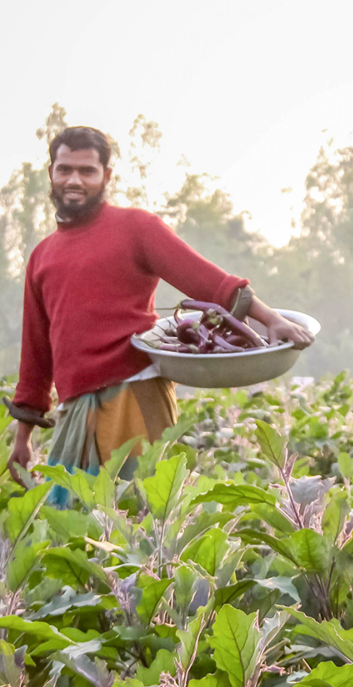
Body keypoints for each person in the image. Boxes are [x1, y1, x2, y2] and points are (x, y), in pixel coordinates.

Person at [6, 125, 313, 485]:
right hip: (74, 411)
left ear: (106, 176)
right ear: (52, 174)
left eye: (87, 171)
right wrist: (22, 437)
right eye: (65, 169)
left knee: (140, 520)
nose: (75, 179)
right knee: (76, 526)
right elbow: (37, 354)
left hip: (135, 396)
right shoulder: (42, 256)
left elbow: (207, 281)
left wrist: (270, 319)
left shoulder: (136, 228)